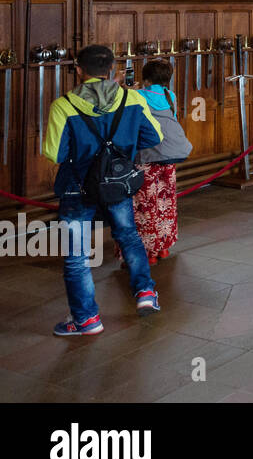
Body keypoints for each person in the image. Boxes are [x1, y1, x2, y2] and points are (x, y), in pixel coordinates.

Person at [43, 44, 163, 336]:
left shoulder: (64, 105)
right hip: (117, 182)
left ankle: (86, 320)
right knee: (128, 236)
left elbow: (54, 154)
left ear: (79, 70)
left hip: (77, 186)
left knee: (76, 254)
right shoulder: (132, 98)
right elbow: (154, 136)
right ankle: (145, 293)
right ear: (111, 69)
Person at [128, 58, 193, 264]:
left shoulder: (137, 95)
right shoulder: (169, 94)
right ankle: (163, 247)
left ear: (145, 78)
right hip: (168, 157)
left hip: (146, 158)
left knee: (144, 206)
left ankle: (148, 252)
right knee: (166, 202)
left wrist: (128, 87)